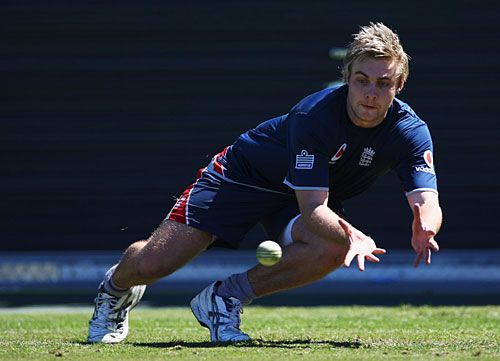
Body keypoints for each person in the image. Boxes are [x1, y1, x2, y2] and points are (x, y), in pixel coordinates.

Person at [87, 22, 442, 344]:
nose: (371, 92)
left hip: (295, 196)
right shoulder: (314, 117)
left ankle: (223, 299)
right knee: (153, 266)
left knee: (332, 249)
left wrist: (425, 225)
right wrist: (356, 235)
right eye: (362, 79)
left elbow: (427, 198)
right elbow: (314, 207)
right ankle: (115, 288)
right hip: (242, 178)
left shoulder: (409, 131)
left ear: (400, 84)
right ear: (347, 76)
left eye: (383, 83)